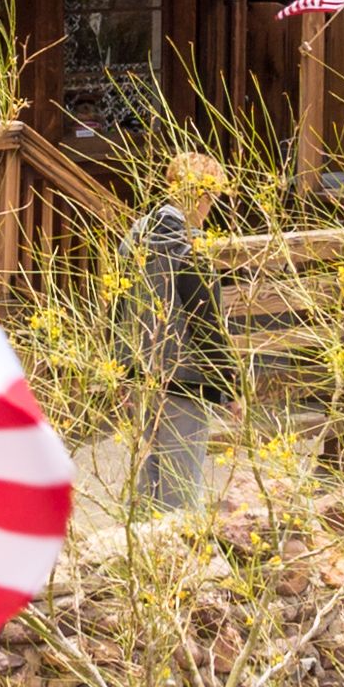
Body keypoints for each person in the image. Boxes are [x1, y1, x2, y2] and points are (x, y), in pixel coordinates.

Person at [132, 151, 235, 513]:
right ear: (202, 196)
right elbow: (205, 323)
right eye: (212, 198)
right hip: (184, 378)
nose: (211, 208)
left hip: (141, 372)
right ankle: (176, 566)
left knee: (148, 481)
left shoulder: (135, 237)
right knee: (181, 488)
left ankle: (145, 562)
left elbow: (118, 305)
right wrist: (228, 385)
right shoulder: (189, 247)